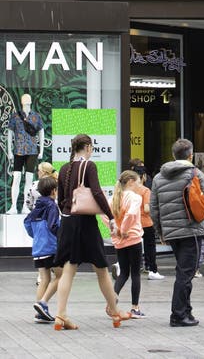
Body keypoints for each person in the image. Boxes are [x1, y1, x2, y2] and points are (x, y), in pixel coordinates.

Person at [53, 133, 130, 330]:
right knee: (101, 269)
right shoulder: (89, 166)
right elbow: (96, 192)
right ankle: (114, 310)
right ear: (87, 147)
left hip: (68, 222)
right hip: (86, 223)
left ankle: (60, 315)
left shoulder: (63, 169)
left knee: (69, 270)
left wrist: (68, 214)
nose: (92, 150)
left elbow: (61, 199)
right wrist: (111, 217)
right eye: (92, 147)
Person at [150, 138, 204, 327]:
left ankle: (186, 311)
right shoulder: (194, 173)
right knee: (185, 274)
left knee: (183, 271)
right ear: (190, 155)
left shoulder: (158, 177)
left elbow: (153, 208)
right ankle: (178, 315)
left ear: (173, 155)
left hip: (171, 233)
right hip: (192, 229)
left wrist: (160, 231)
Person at [24, 175, 62, 323]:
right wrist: (61, 237)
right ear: (54, 191)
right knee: (61, 276)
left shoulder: (37, 206)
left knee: (44, 279)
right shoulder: (51, 205)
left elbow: (27, 223)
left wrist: (37, 237)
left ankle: (39, 312)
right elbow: (53, 225)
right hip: (51, 248)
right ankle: (42, 304)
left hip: (38, 248)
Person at [109, 169, 145, 318]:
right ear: (130, 181)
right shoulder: (135, 198)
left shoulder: (112, 199)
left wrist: (115, 230)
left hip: (119, 242)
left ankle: (111, 303)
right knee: (136, 273)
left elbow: (105, 216)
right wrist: (124, 229)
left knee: (123, 273)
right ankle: (135, 308)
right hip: (133, 238)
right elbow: (131, 214)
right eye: (137, 182)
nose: (139, 185)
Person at [7, 94, 44, 214]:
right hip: (18, 151)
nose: (26, 101)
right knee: (16, 177)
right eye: (24, 99)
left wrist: (41, 151)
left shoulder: (36, 116)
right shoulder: (15, 116)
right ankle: (13, 206)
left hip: (32, 151)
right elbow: (10, 134)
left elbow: (41, 133)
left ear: (31, 101)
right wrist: (9, 151)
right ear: (22, 101)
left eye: (28, 99)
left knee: (29, 178)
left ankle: (25, 206)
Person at [131, 164, 163, 280]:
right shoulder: (145, 190)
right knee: (150, 247)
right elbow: (146, 209)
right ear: (143, 176)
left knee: (135, 246)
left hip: (133, 223)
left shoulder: (130, 190)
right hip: (146, 223)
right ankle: (152, 270)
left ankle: (134, 268)